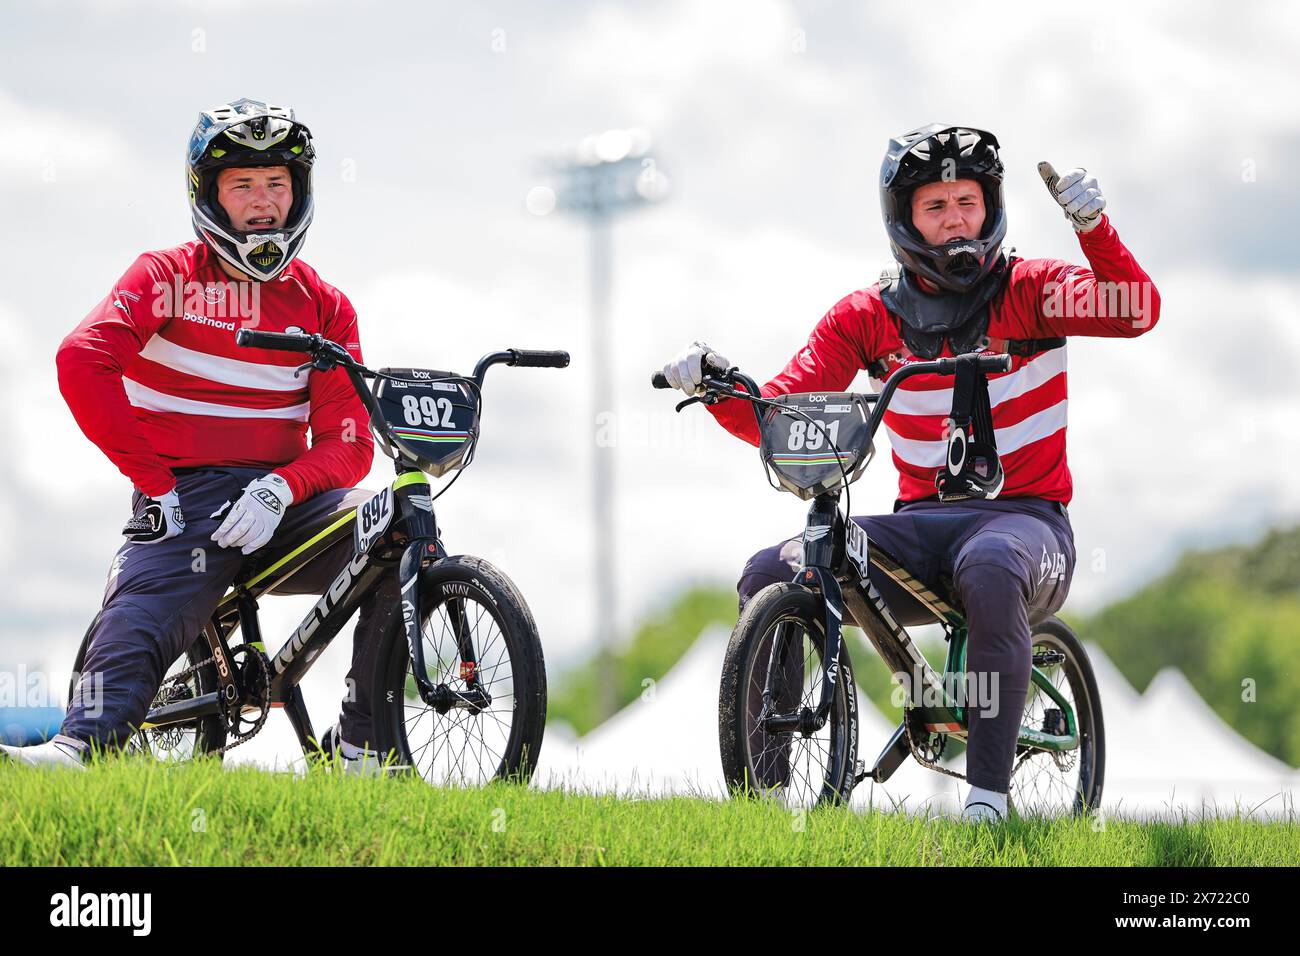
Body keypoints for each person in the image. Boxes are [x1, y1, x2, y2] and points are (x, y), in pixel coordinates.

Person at [660, 124, 1159, 822]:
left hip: (1029, 527)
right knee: (771, 571)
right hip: (917, 532)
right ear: (905, 220)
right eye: (936, 205)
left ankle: (987, 803)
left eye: (968, 201)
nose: (956, 217)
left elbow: (1136, 310)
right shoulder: (866, 316)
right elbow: (780, 414)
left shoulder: (1035, 288)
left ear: (992, 208)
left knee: (989, 562)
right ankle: (767, 798)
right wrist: (719, 388)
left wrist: (1094, 228)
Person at [1, 98, 395, 772]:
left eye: (277, 183)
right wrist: (155, 485)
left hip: (290, 503)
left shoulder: (328, 305)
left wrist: (282, 485)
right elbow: (81, 360)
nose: (264, 202)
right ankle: (78, 748)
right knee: (150, 607)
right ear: (209, 195)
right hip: (189, 495)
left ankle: (367, 750)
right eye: (242, 185)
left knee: (399, 531)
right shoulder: (166, 275)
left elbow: (350, 442)